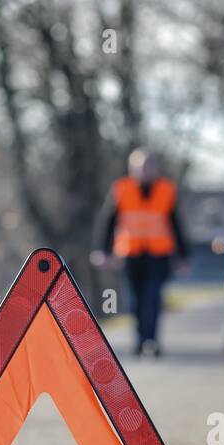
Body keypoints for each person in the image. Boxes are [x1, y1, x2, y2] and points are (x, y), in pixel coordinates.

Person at [92, 149, 189, 357]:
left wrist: (183, 256)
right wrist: (102, 250)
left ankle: (152, 341)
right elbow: (108, 222)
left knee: (153, 298)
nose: (146, 170)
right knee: (135, 300)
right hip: (130, 254)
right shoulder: (122, 189)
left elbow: (176, 225)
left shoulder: (166, 190)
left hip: (158, 255)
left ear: (156, 168)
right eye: (141, 166)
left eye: (150, 166)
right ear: (132, 169)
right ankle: (139, 339)